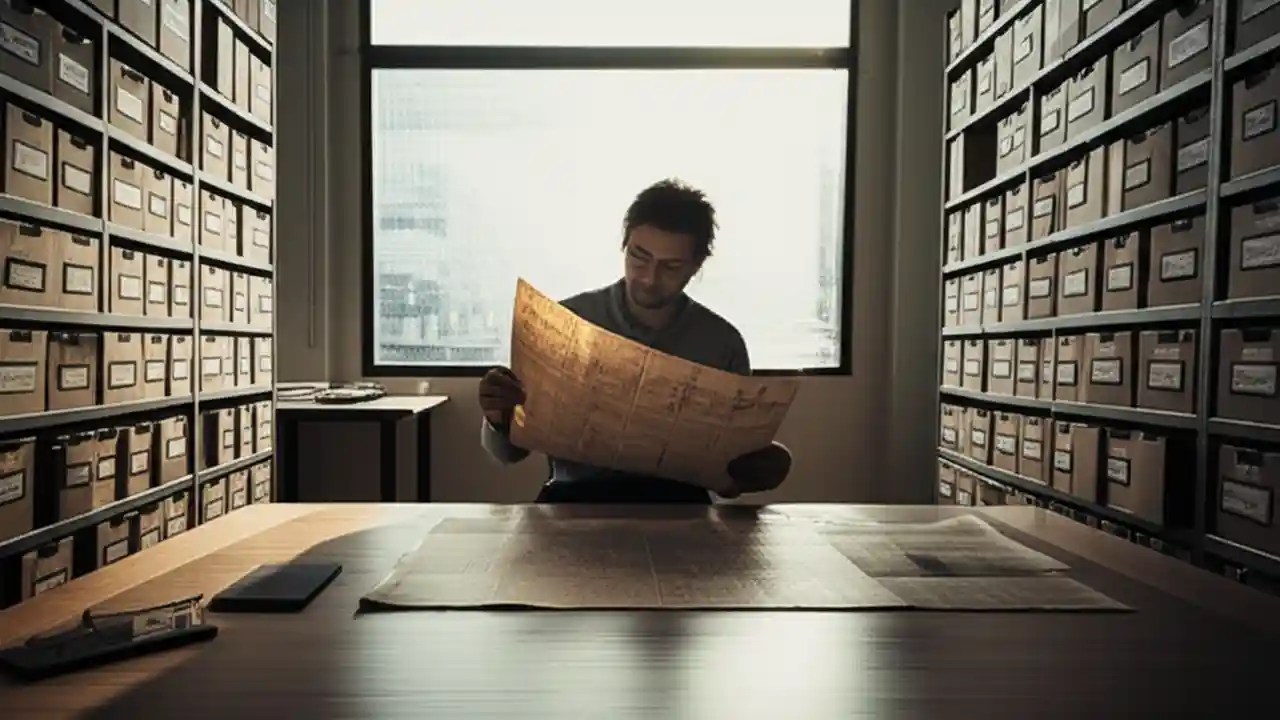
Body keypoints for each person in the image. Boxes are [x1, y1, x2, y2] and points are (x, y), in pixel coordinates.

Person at [478, 178, 793, 503]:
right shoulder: (566, 325)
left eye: (671, 266)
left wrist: (757, 469)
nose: (649, 278)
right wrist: (498, 419)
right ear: (624, 243)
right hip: (573, 501)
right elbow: (508, 455)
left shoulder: (721, 343)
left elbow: (729, 481)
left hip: (681, 509)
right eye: (639, 257)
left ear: (697, 266)